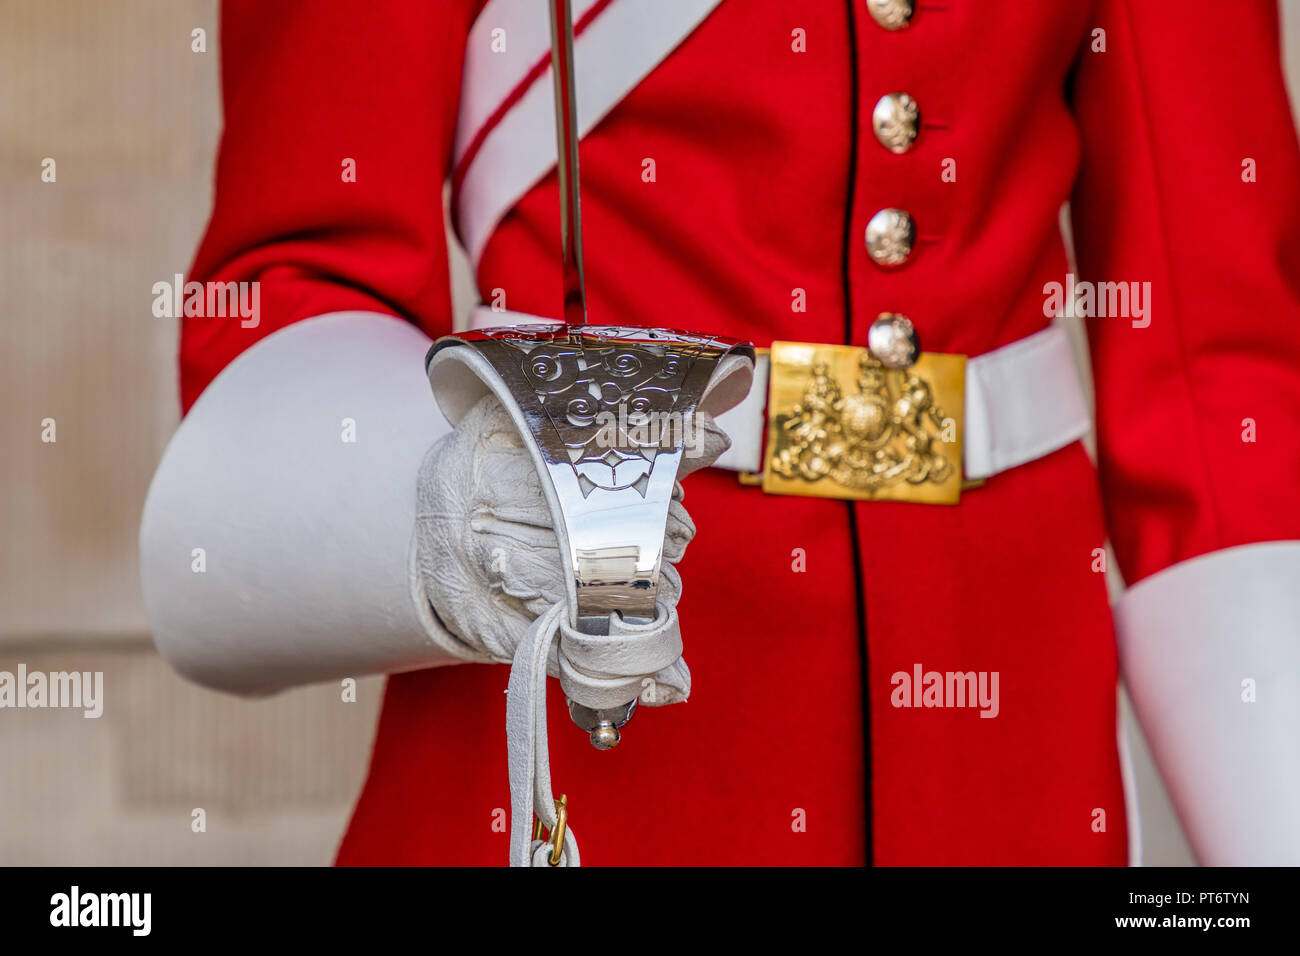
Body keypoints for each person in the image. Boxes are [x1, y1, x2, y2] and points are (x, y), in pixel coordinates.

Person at [141, 0, 1300, 865]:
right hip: (601, 701)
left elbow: (1214, 370)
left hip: (1010, 736)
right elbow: (289, 275)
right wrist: (452, 502)